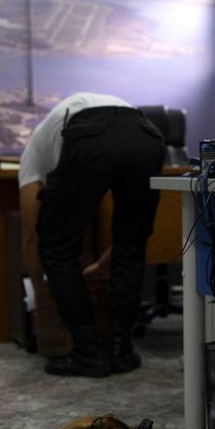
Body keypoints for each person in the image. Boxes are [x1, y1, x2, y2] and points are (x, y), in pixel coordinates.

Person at [19, 93, 165, 377]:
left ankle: (87, 353)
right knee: (132, 243)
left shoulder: (31, 157)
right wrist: (102, 264)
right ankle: (121, 351)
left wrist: (39, 291)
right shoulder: (58, 128)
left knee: (56, 246)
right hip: (145, 133)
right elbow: (130, 239)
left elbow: (31, 235)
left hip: (90, 133)